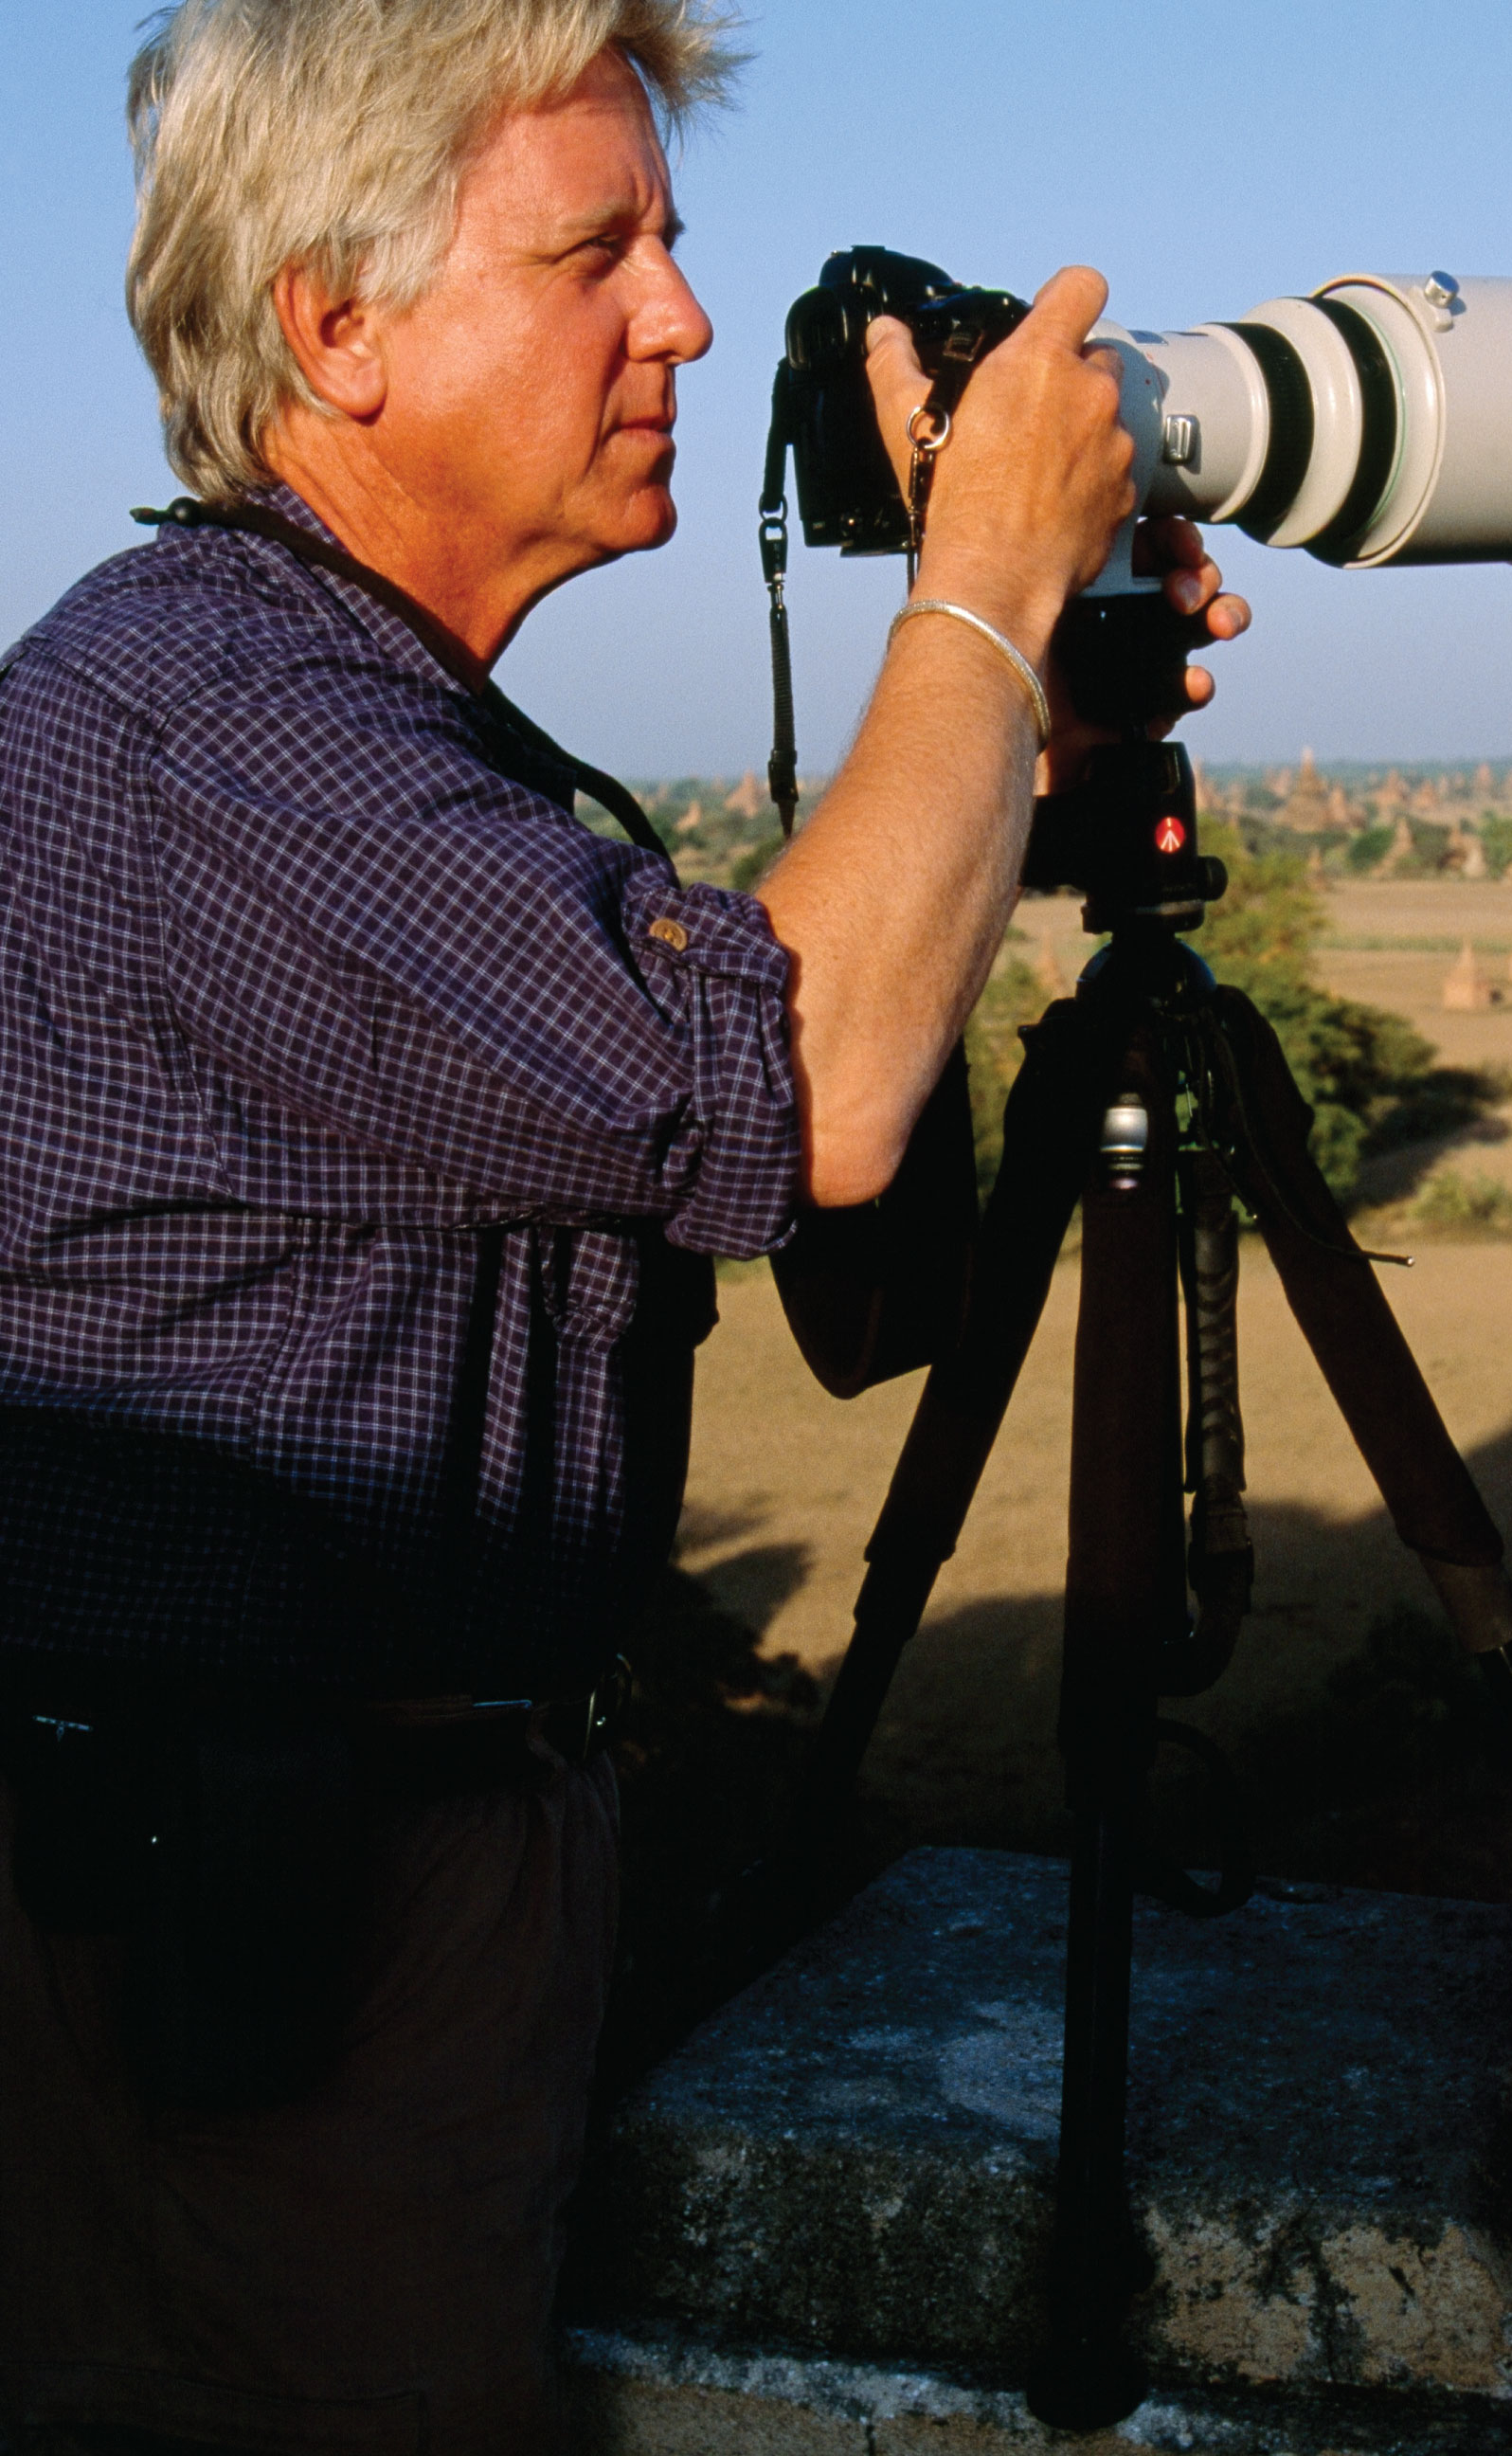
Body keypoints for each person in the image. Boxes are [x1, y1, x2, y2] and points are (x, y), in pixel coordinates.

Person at [0, 1, 1249, 2449]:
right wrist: (984, 593)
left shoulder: (336, 712)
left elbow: (744, 1092)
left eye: (670, 245)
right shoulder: (225, 738)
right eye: (597, 255)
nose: (679, 315)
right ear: (336, 328)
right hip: (244, 1960)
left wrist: (1037, 740)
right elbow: (805, 1087)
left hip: (346, 1883)